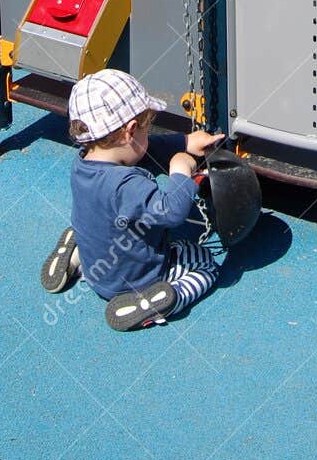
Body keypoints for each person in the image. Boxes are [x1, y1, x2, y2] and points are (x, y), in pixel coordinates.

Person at [41, 69, 224, 331]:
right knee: (204, 264)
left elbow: (142, 150)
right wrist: (181, 169)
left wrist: (184, 141)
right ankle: (163, 300)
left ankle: (75, 257)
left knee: (97, 227)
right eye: (147, 131)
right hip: (138, 278)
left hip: (97, 271)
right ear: (130, 131)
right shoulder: (127, 185)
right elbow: (172, 212)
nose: (148, 138)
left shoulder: (83, 162)